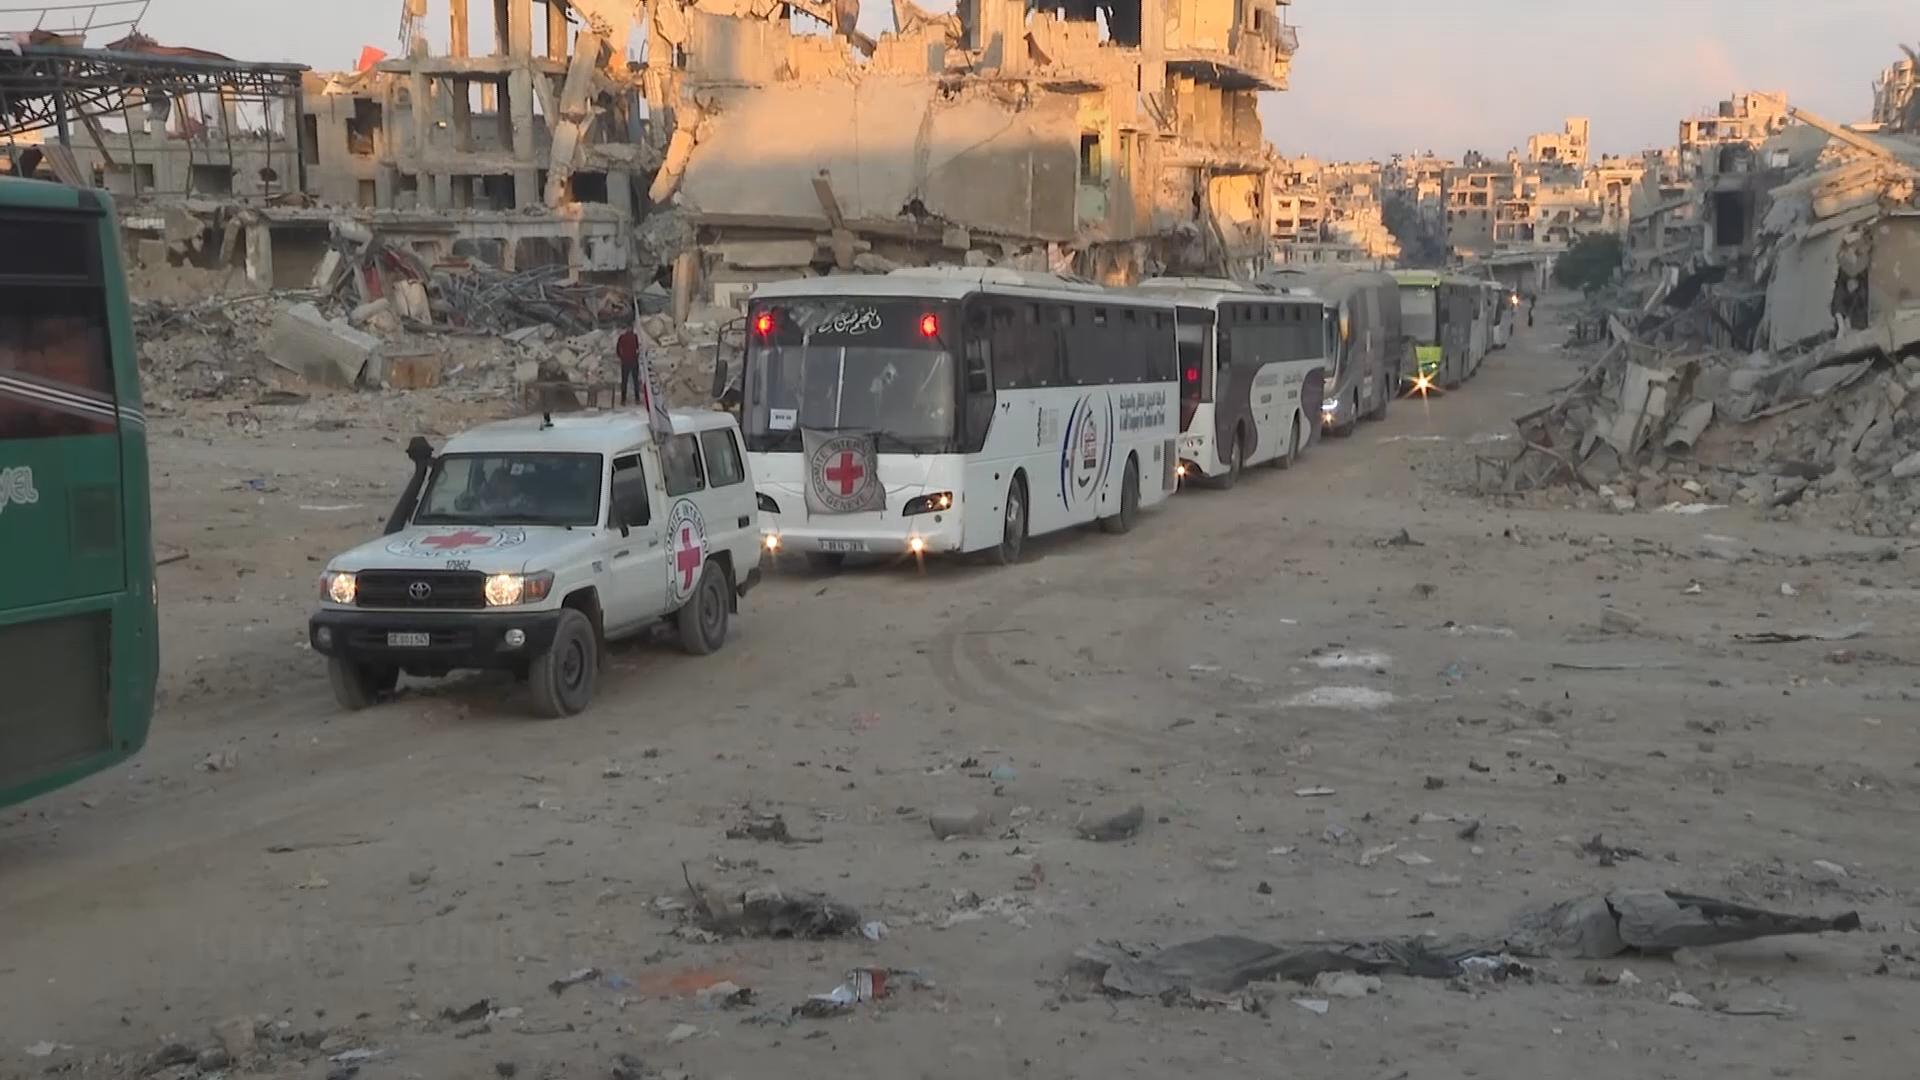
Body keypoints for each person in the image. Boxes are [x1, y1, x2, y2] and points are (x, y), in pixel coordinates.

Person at [616, 326, 642, 406]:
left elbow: (618, 349)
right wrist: (636, 356)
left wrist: (621, 357)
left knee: (624, 381)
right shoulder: (634, 337)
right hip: (633, 361)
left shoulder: (622, 337)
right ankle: (637, 399)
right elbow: (638, 348)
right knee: (635, 381)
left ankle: (623, 399)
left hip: (625, 361)